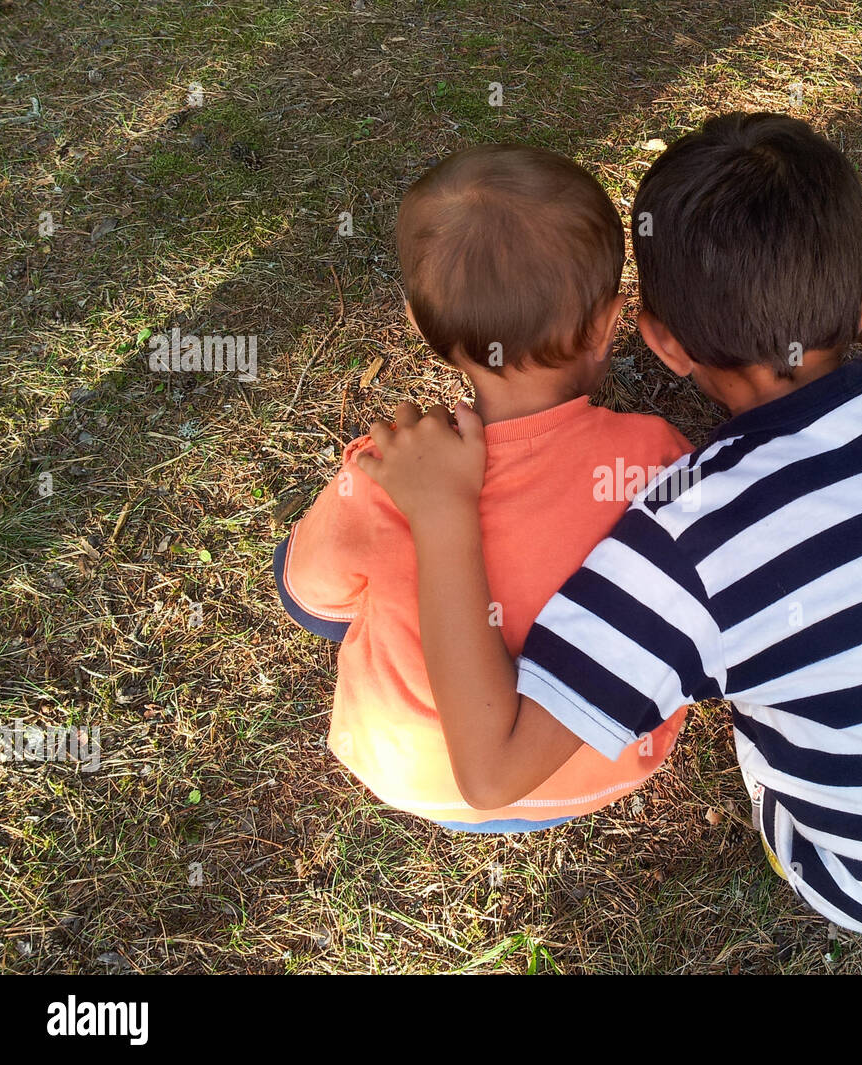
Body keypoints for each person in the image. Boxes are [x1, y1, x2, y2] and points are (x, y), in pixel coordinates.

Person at [359, 114, 862, 937]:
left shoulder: (687, 539)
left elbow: (491, 771)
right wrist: (826, 315)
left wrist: (440, 513)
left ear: (661, 343)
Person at [275, 144, 690, 831]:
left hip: (412, 771)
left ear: (421, 326)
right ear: (605, 325)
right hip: (610, 763)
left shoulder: (383, 471)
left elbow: (305, 595)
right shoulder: (655, 458)